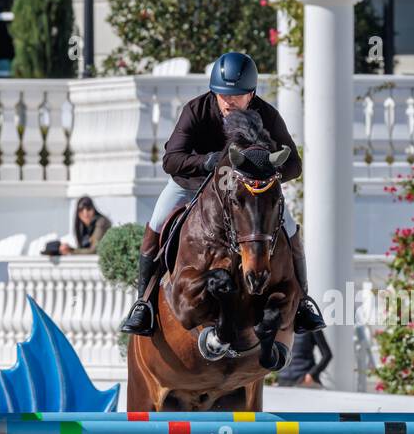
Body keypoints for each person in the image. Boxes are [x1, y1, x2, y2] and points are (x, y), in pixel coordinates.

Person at [119, 51, 325, 336]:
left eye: (237, 95)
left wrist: (266, 171)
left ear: (251, 94)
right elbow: (171, 159)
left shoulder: (266, 114)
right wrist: (207, 161)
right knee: (156, 222)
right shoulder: (196, 110)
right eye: (223, 94)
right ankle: (143, 304)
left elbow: (294, 165)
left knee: (289, 228)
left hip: (245, 192)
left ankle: (303, 302)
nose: (229, 101)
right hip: (192, 186)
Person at [43, 197, 111, 255]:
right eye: (81, 210)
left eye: (88, 209)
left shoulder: (101, 222)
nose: (85, 213)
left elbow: (93, 250)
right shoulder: (82, 227)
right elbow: (83, 248)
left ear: (94, 210)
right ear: (78, 213)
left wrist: (71, 250)